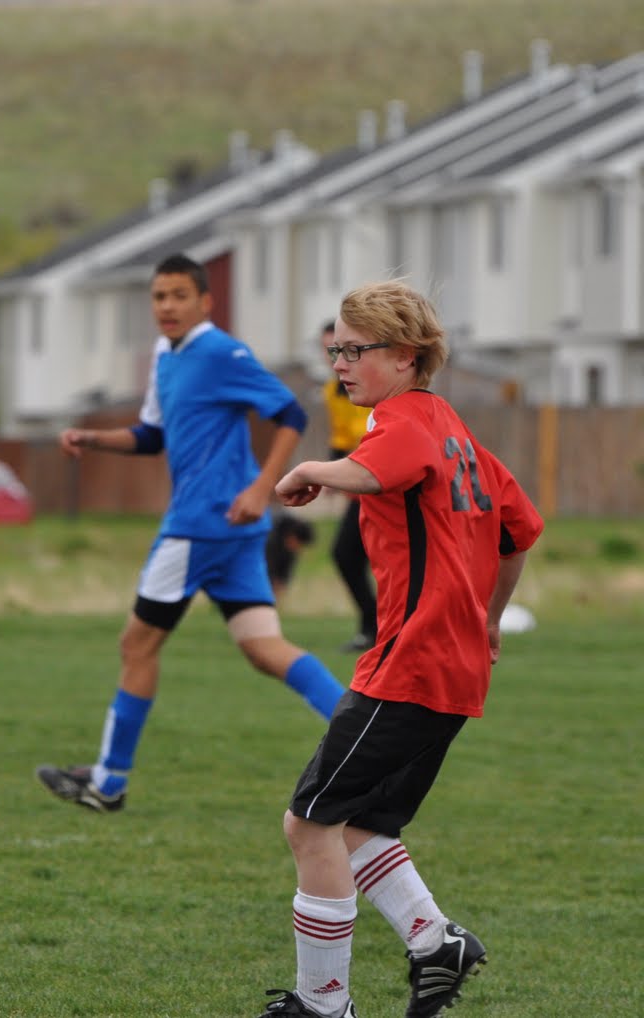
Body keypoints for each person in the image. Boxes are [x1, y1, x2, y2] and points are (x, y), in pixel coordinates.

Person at [256, 281, 542, 1018]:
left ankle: (325, 1006)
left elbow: (375, 469)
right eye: (336, 349)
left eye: (356, 350)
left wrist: (314, 471)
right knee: (359, 824)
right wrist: (487, 617)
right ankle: (436, 942)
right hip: (449, 668)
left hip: (411, 667)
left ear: (407, 356)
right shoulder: (456, 431)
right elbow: (519, 531)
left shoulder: (406, 422)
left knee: (310, 823)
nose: (342, 363)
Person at [35, 253, 346, 812]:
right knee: (263, 648)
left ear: (205, 301)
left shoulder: (220, 351)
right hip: (229, 532)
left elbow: (291, 414)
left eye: (180, 295)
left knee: (136, 643)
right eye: (159, 297)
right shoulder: (165, 355)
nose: (168, 306)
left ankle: (108, 782)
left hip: (199, 528)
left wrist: (262, 489)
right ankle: (360, 736)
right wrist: (95, 438)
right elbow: (153, 435)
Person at [320, 320, 379, 652]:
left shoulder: (374, 386)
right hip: (360, 484)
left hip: (381, 482)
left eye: (345, 350)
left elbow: (378, 436)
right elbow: (340, 438)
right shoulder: (333, 391)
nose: (337, 360)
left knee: (381, 559)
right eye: (331, 350)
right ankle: (372, 628)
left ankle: (383, 632)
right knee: (346, 555)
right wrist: (331, 473)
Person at [265, 510, 316, 597]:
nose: (298, 549)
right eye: (299, 544)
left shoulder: (290, 548)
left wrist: (281, 584)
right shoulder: (270, 537)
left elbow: (285, 574)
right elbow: (268, 566)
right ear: (292, 537)